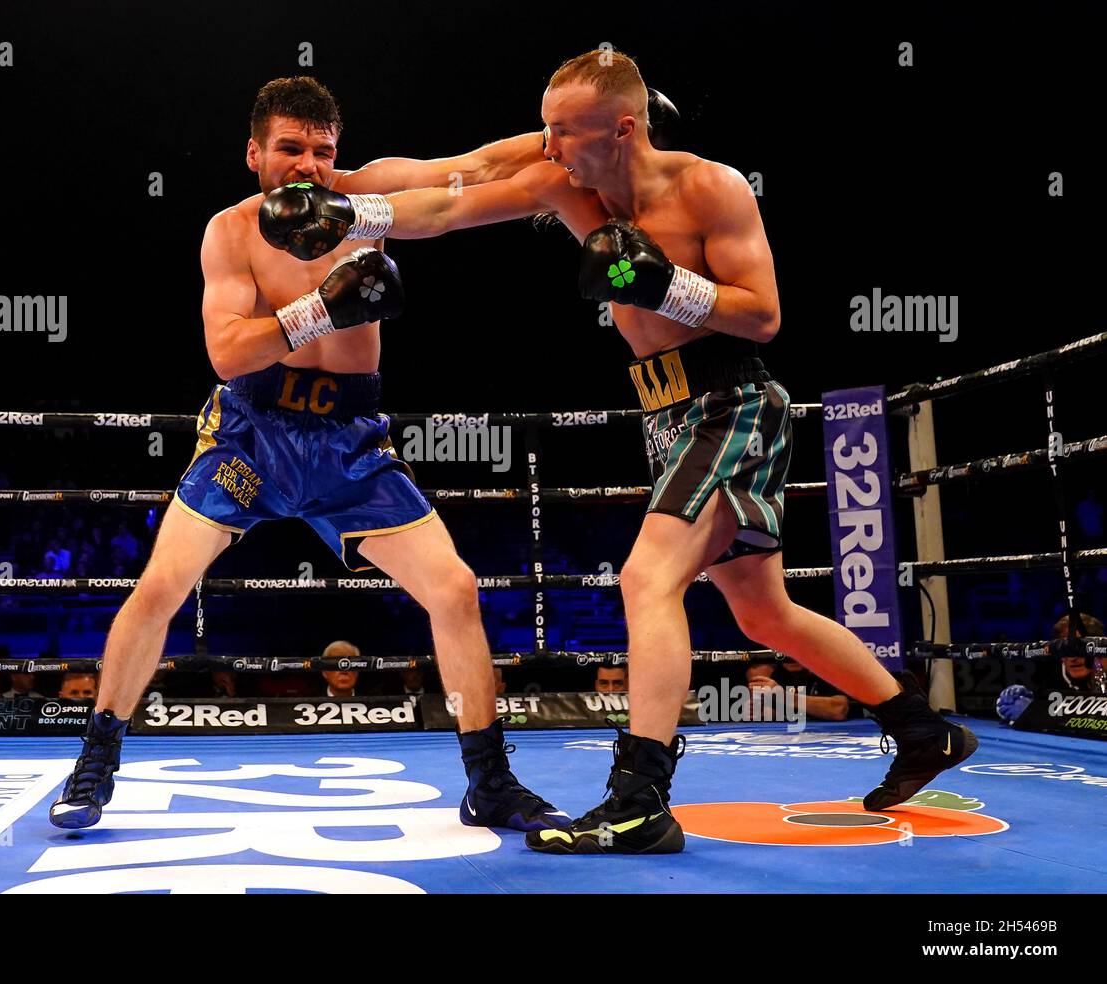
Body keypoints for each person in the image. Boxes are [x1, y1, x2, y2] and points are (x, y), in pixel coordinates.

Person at [260, 51, 979, 854]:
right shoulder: (566, 182)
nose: (547, 142)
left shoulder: (713, 189)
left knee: (647, 578)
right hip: (665, 412)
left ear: (625, 127)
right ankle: (922, 731)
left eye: (564, 129)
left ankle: (640, 798)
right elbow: (446, 201)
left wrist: (663, 284)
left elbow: (764, 316)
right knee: (761, 610)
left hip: (731, 401)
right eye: (547, 126)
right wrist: (343, 211)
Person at [51, 77, 564, 835]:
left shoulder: (369, 201)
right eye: (291, 148)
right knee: (161, 585)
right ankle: (95, 762)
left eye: (323, 152)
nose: (309, 166)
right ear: (254, 151)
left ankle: (488, 778)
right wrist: (323, 307)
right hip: (250, 436)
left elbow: (480, 169)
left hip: (351, 442)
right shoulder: (229, 233)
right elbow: (228, 353)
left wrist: (577, 138)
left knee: (454, 590)